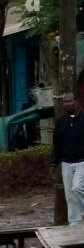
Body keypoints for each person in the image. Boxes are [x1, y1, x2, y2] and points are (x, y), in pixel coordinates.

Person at [53, 91, 84, 224]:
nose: (67, 104)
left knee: (77, 187)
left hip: (82, 161)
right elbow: (56, 144)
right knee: (69, 195)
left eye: (70, 101)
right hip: (66, 162)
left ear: (76, 101)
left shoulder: (83, 119)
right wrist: (53, 163)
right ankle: (74, 223)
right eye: (65, 102)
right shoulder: (61, 122)